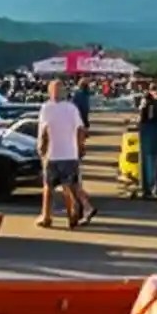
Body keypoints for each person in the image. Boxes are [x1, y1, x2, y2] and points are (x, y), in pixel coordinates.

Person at [36, 80, 97, 228]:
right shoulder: (72, 108)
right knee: (69, 186)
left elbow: (44, 131)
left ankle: (46, 216)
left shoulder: (46, 108)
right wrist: (80, 146)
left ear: (50, 92)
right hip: (70, 154)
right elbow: (81, 129)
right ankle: (73, 215)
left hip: (53, 153)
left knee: (48, 187)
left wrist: (42, 149)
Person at [137, 86, 157, 199]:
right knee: (151, 162)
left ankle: (147, 189)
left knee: (146, 162)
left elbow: (143, 119)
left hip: (147, 136)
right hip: (151, 137)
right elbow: (151, 118)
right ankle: (151, 189)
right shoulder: (152, 105)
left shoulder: (147, 104)